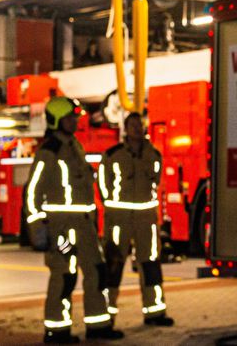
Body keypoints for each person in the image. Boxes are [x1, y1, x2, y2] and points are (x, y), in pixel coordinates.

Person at [25, 97, 124, 343]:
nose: (75, 121)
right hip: (61, 227)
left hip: (84, 225)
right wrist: (38, 226)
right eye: (70, 117)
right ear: (57, 120)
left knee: (96, 272)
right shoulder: (49, 151)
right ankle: (57, 330)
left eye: (75, 117)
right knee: (64, 276)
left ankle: (98, 325)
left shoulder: (74, 146)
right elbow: (33, 190)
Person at [99, 112, 175, 327]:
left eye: (139, 125)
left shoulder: (154, 154)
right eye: (132, 125)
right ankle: (106, 315)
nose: (137, 129)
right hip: (118, 219)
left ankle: (155, 312)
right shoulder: (112, 155)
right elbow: (103, 184)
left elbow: (156, 181)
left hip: (146, 219)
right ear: (126, 128)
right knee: (113, 265)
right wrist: (111, 205)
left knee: (150, 265)